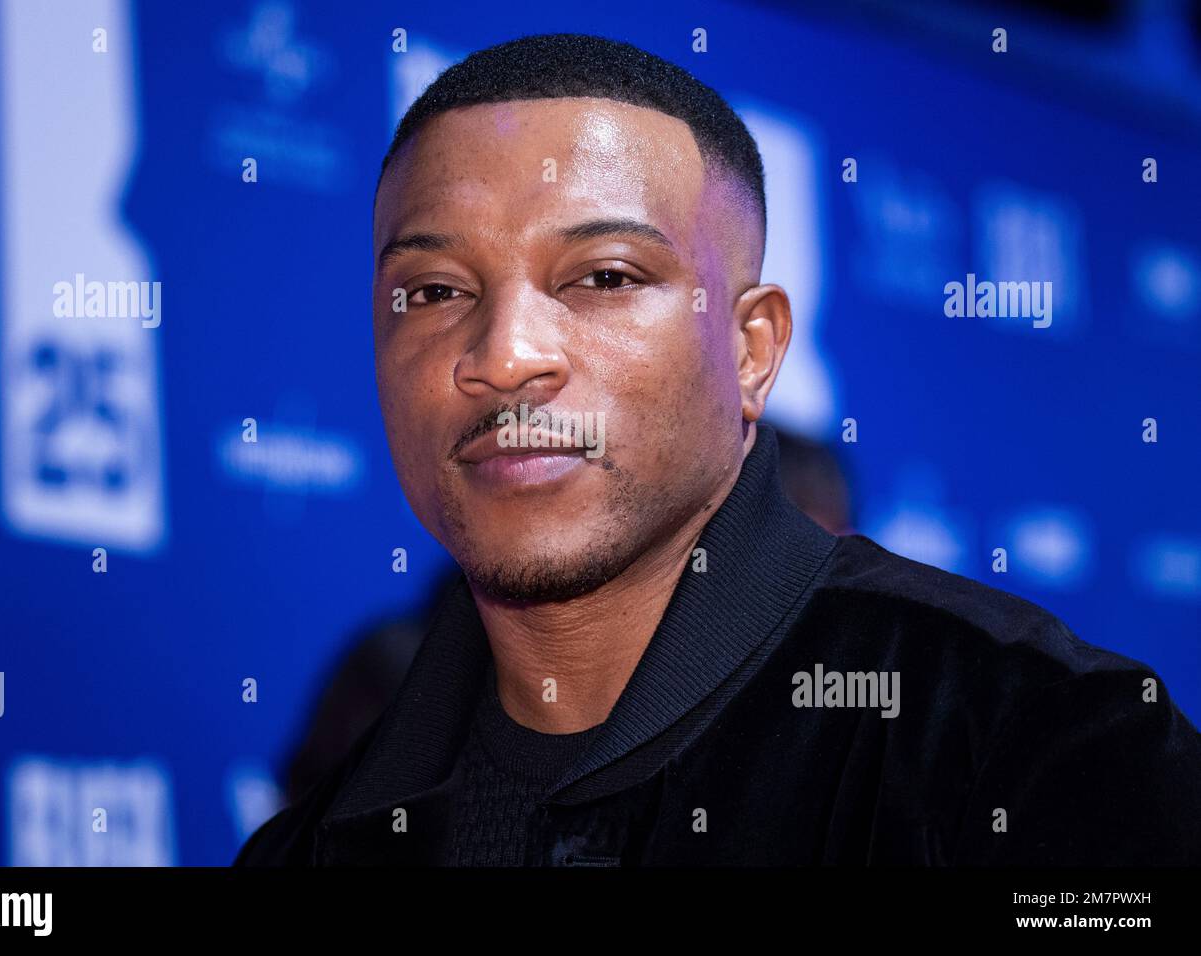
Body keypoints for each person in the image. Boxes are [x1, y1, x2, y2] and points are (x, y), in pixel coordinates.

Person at [235, 33, 1201, 866]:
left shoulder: (1033, 747)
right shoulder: (317, 845)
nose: (504, 356)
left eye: (603, 277)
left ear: (751, 352)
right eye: (435, 292)